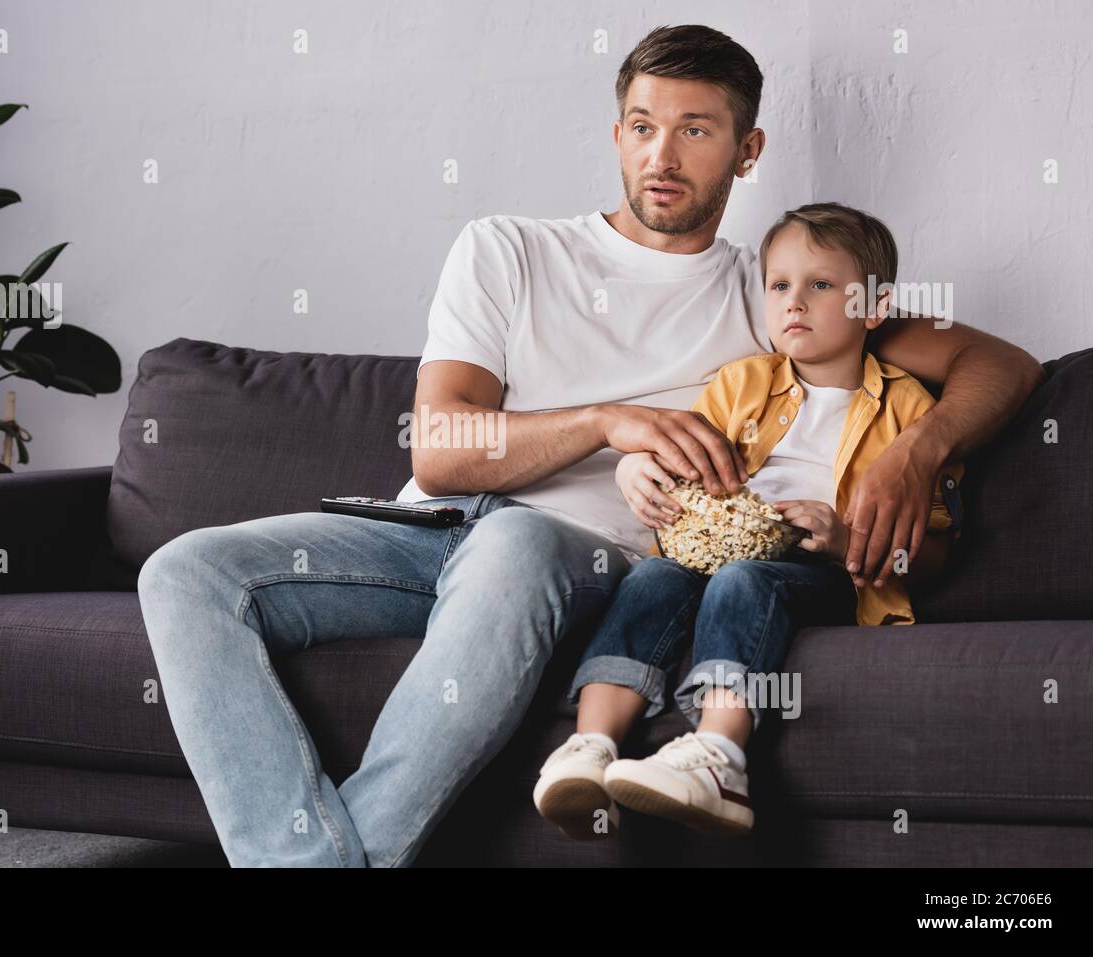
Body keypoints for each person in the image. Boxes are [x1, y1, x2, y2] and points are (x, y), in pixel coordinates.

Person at [137, 24, 1042, 867]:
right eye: (643, 126)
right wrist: (608, 422)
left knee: (518, 538)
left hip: (581, 561)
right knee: (184, 571)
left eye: (695, 130)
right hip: (430, 530)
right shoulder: (509, 249)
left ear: (747, 151)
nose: (662, 154)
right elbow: (441, 449)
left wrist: (916, 451)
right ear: (616, 134)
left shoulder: (769, 293)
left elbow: (998, 363)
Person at [534, 202, 966, 840]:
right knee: (653, 579)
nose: (795, 302)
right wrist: (636, 470)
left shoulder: (910, 408)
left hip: (828, 574)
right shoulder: (739, 384)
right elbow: (677, 461)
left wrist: (848, 538)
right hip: (710, 555)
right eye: (780, 285)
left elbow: (936, 553)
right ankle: (591, 746)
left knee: (745, 580)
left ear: (874, 307)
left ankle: (719, 758)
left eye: (821, 285)